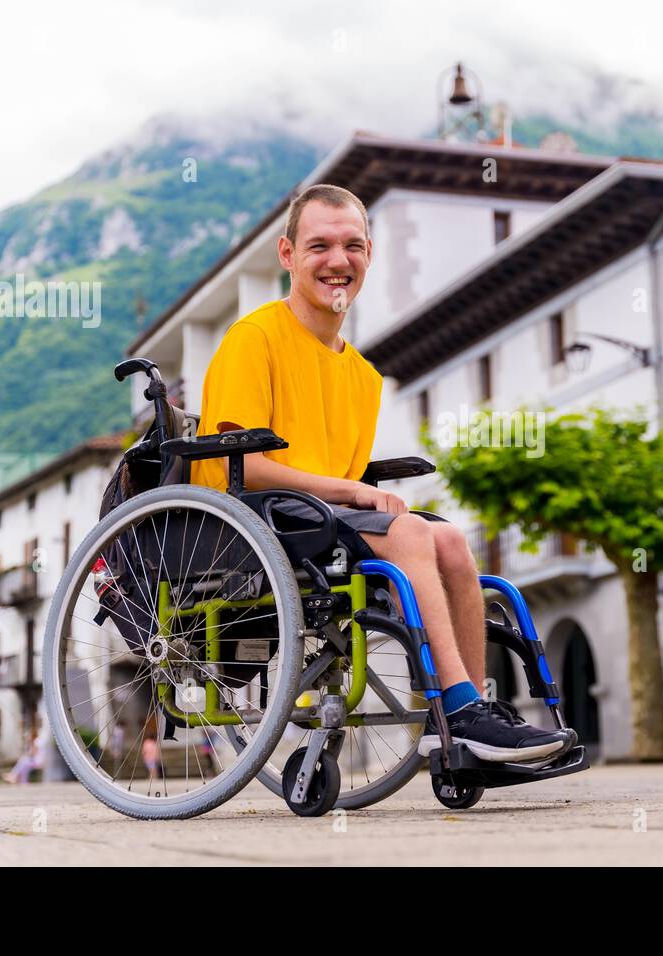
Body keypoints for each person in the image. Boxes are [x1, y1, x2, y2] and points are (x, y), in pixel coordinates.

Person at [192, 184, 574, 765]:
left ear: (369, 253)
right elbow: (241, 465)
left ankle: (470, 718)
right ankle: (461, 708)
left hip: (320, 518)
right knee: (415, 534)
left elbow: (343, 477)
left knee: (449, 537)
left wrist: (352, 493)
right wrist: (351, 491)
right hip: (252, 517)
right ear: (287, 255)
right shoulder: (255, 338)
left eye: (352, 246)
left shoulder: (364, 377)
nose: (337, 261)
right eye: (319, 246)